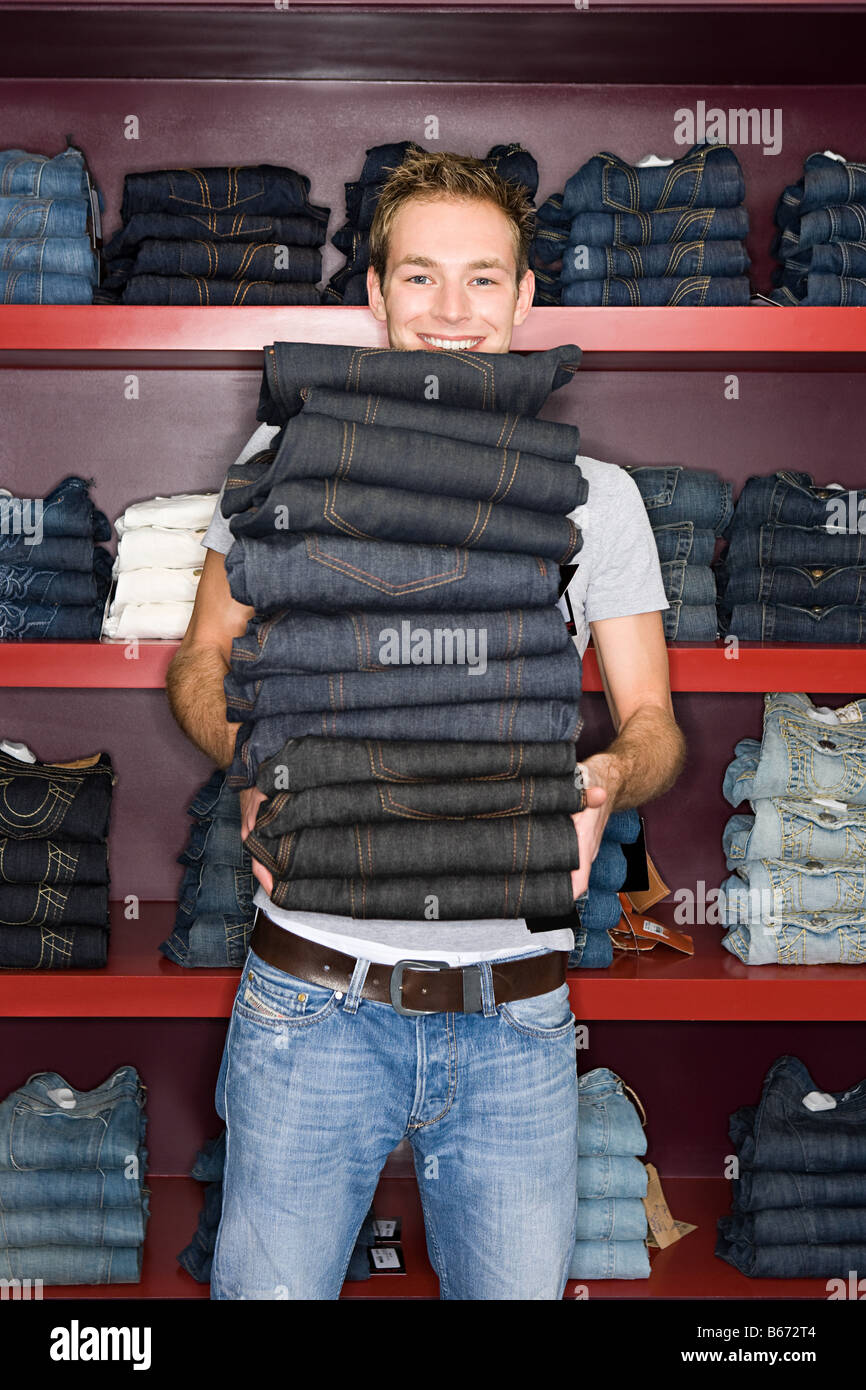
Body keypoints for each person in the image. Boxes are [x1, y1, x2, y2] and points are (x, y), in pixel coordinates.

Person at [166, 147, 686, 1300]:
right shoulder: (284, 460)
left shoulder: (590, 496)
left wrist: (608, 774)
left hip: (514, 1015)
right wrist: (247, 758)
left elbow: (652, 721)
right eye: (419, 278)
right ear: (373, 296)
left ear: (524, 299)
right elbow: (202, 658)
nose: (451, 313)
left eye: (483, 280)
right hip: (312, 999)